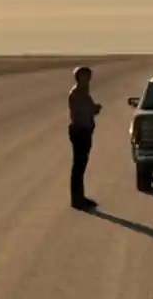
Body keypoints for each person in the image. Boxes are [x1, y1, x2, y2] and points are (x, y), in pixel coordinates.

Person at [68, 65, 102, 210]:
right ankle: (77, 201)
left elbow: (89, 111)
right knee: (78, 167)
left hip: (85, 131)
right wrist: (94, 109)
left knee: (81, 166)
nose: (88, 79)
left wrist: (94, 109)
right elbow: (82, 113)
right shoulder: (76, 93)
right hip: (79, 131)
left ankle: (80, 198)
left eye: (88, 77)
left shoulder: (83, 93)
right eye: (85, 77)